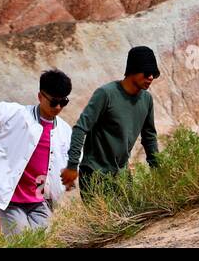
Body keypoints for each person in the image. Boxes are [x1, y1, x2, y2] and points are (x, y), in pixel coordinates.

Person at [0, 69, 74, 234]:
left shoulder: (65, 131)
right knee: (22, 240)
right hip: (11, 199)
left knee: (44, 242)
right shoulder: (17, 114)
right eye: (54, 102)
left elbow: (74, 159)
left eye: (64, 102)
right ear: (40, 97)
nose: (58, 107)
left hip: (41, 201)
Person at [61, 46, 161, 196]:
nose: (151, 77)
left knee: (132, 217)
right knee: (103, 219)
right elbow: (80, 129)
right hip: (94, 175)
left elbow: (149, 138)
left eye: (154, 74)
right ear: (133, 70)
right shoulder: (106, 94)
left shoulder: (147, 100)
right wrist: (72, 165)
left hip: (122, 175)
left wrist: (158, 170)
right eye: (147, 73)